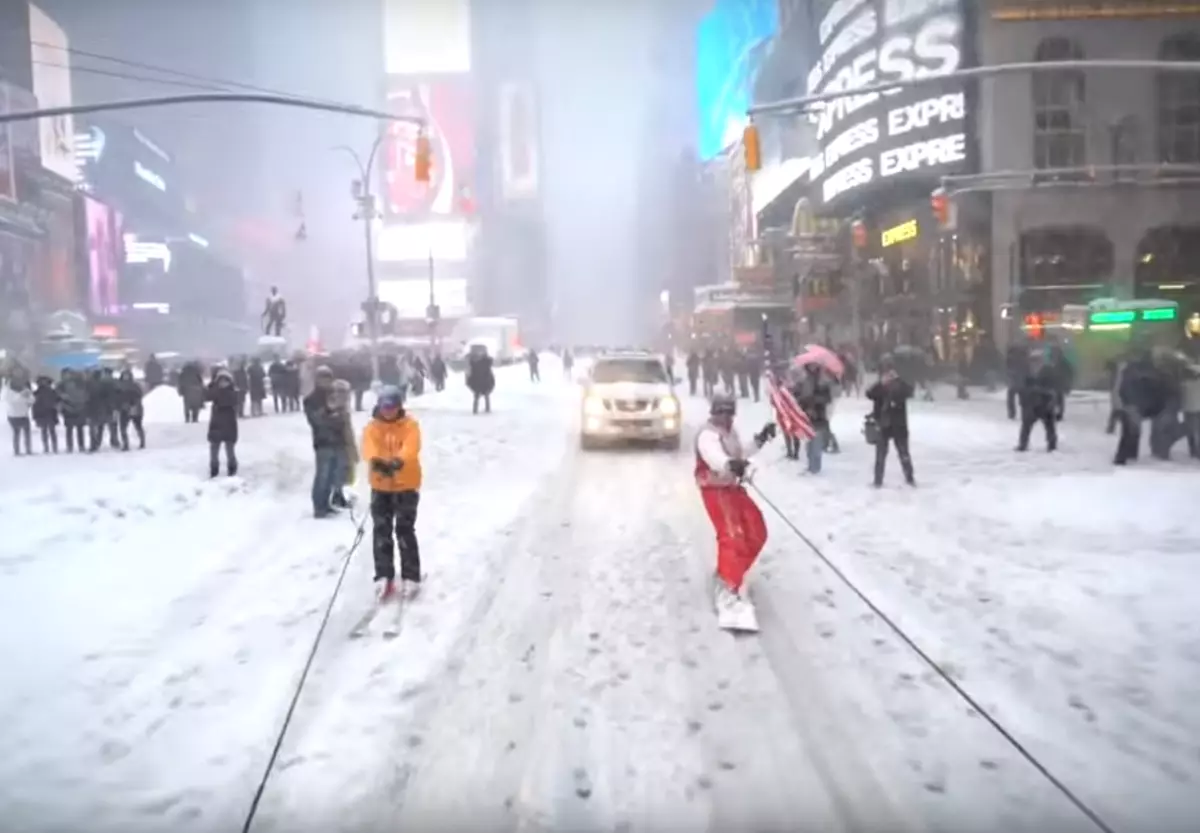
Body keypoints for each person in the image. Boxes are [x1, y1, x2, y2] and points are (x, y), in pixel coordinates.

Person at [695, 393, 776, 630]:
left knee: (756, 531)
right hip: (715, 489)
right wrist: (730, 465)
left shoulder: (730, 432)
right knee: (732, 536)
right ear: (714, 413)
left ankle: (730, 572)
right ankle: (728, 590)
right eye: (721, 412)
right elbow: (715, 457)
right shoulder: (707, 434)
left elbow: (739, 453)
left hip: (732, 488)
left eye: (729, 412)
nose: (726, 417)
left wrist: (760, 440)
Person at [362, 385, 423, 602]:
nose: (388, 410)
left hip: (406, 484)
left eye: (393, 406)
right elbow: (369, 447)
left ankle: (411, 575)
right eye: (384, 405)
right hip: (381, 487)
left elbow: (411, 447)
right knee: (381, 530)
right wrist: (378, 462)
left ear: (399, 406)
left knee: (404, 529)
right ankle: (383, 575)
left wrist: (398, 461)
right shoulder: (372, 427)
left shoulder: (410, 425)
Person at [304, 366, 346, 518]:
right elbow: (317, 421)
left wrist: (335, 417)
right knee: (322, 475)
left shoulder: (334, 395)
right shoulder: (311, 400)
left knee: (332, 475)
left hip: (337, 440)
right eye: (323, 378)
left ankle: (326, 504)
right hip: (323, 442)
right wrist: (331, 416)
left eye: (328, 378)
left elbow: (342, 418)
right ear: (317, 379)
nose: (326, 381)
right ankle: (318, 506)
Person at [866, 357, 916, 487]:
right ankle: (878, 480)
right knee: (880, 455)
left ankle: (909, 477)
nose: (887, 374)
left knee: (903, 452)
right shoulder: (880, 386)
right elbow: (870, 394)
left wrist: (898, 382)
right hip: (883, 424)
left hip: (898, 424)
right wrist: (881, 384)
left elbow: (909, 392)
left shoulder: (900, 385)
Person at [206, 368, 239, 477]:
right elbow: (207, 396)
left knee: (229, 449)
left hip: (229, 424)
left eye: (225, 381)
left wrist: (216, 388)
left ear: (229, 382)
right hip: (216, 425)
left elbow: (230, 400)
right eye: (220, 381)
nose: (222, 383)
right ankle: (214, 468)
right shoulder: (215, 392)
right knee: (214, 448)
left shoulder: (231, 393)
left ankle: (232, 467)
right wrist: (213, 385)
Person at [115, 369, 146, 450]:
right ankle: (125, 444)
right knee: (123, 428)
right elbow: (117, 397)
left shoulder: (134, 385)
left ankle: (142, 442)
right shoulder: (119, 385)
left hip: (135, 408)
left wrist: (133, 403)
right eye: (124, 375)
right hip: (124, 409)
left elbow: (139, 395)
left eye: (127, 375)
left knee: (138, 426)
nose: (126, 377)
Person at [4, 376, 34, 456]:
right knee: (16, 433)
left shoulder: (25, 391)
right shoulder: (8, 392)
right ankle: (16, 450)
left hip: (24, 415)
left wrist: (28, 397)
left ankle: (28, 449)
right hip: (13, 415)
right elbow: (13, 401)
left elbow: (32, 400)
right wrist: (23, 395)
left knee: (27, 433)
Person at [32, 375, 60, 454]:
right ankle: (47, 447)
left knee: (51, 431)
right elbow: (34, 405)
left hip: (50, 413)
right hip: (43, 414)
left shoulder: (52, 392)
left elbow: (57, 402)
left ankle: (53, 447)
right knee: (45, 431)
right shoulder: (37, 393)